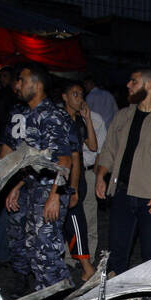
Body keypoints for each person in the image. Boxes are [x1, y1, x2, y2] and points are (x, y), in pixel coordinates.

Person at [0, 63, 78, 290]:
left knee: (46, 249)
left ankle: (60, 296)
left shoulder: (53, 115)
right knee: (30, 246)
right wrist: (12, 185)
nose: (17, 84)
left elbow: (64, 161)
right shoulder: (18, 114)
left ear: (37, 84)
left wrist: (54, 196)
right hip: (28, 186)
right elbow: (12, 155)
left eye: (22, 79)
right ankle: (43, 294)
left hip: (49, 188)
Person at [94, 68, 151, 275]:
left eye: (133, 81)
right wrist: (101, 175)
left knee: (150, 254)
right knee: (117, 251)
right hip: (122, 192)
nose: (128, 85)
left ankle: (146, 297)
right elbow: (109, 149)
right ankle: (117, 297)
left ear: (148, 85)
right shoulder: (123, 116)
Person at [61, 80, 105, 263]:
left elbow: (94, 146)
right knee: (62, 221)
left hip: (81, 177)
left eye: (81, 95)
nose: (79, 99)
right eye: (75, 94)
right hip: (62, 175)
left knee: (83, 220)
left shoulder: (81, 121)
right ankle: (66, 259)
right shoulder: (57, 120)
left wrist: (87, 119)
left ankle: (86, 260)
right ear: (65, 97)